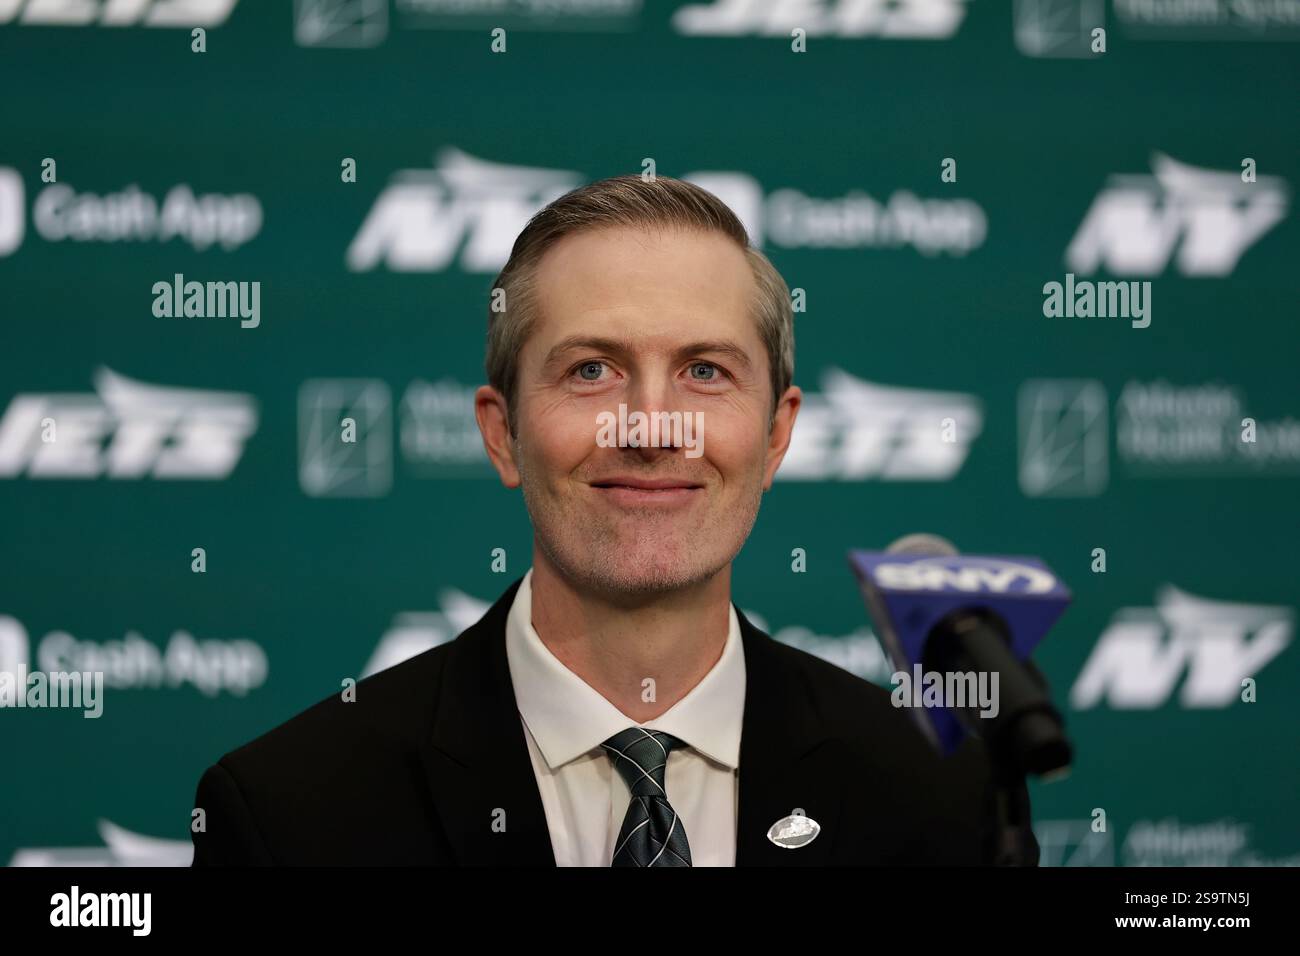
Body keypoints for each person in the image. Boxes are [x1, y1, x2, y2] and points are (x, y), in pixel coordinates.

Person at [191, 175, 1032, 866]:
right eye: (592, 370)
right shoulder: (288, 816)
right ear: (502, 433)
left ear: (776, 435)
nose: (651, 428)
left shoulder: (938, 792)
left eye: (704, 371)